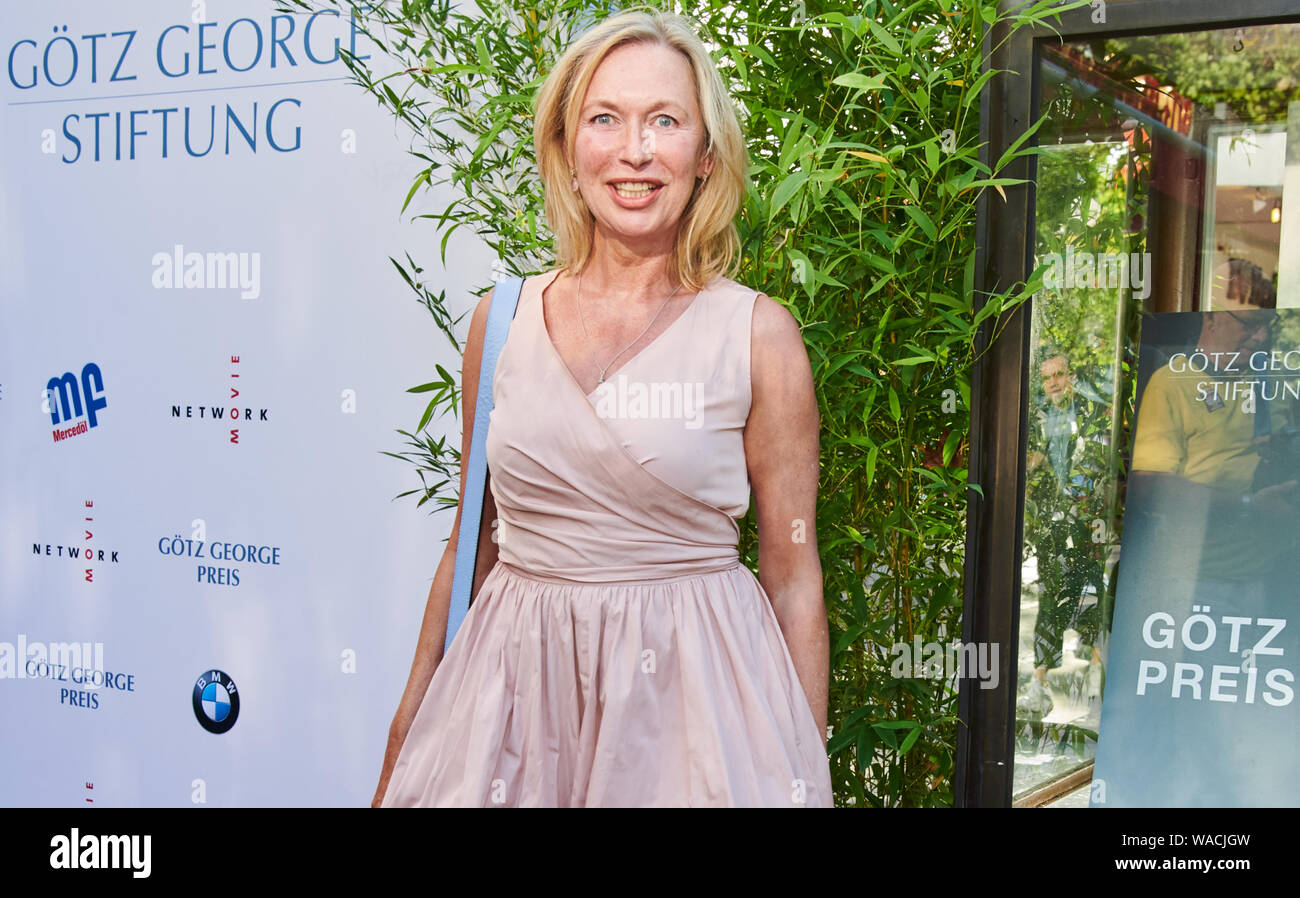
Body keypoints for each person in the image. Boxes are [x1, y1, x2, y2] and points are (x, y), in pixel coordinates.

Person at [373, 10, 832, 807]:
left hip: (690, 715)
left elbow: (793, 580)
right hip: (513, 710)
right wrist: (404, 738)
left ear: (705, 156)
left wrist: (800, 769)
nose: (636, 150)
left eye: (665, 121)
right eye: (606, 119)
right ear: (567, 149)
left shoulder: (759, 336)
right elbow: (469, 549)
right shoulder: (501, 320)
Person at [1018, 347, 1113, 721]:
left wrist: (1069, 509)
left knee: (1091, 590)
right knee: (1050, 594)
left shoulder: (1091, 412)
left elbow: (1095, 464)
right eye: (1046, 377)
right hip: (1051, 524)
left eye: (1059, 374)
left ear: (1071, 376)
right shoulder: (1038, 418)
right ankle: (1038, 682)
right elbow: (1032, 462)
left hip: (1085, 520)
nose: (1054, 383)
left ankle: (1095, 671)